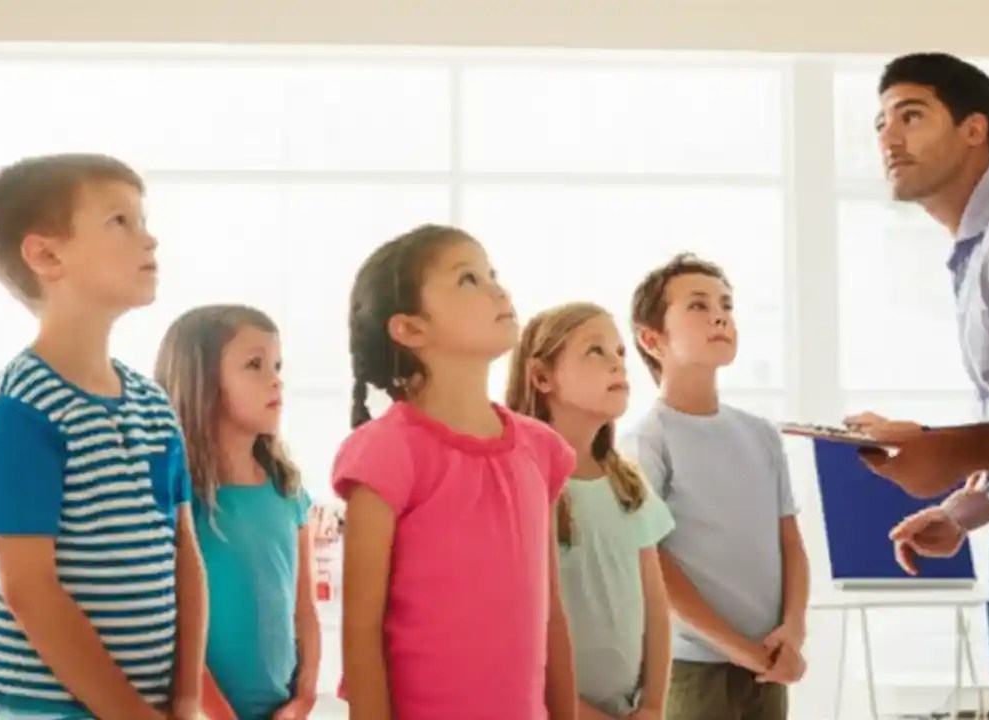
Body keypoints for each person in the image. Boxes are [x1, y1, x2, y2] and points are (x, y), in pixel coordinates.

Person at [0, 154, 208, 719]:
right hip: (45, 707)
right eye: (121, 221)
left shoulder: (153, 404)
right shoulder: (16, 411)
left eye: (143, 221)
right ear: (46, 255)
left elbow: (184, 556)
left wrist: (187, 697)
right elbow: (30, 591)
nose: (150, 240)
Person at [847, 52, 989, 718]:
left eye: (911, 115)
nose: (889, 139)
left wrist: (945, 450)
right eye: (880, 124)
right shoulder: (981, 245)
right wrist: (964, 509)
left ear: (973, 129)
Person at [333, 224, 578, 719]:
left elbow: (550, 615)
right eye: (468, 278)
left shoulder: (539, 449)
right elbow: (361, 637)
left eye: (492, 274)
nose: (498, 288)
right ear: (411, 329)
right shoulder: (387, 454)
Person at [622, 253, 809, 720]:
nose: (720, 315)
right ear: (652, 339)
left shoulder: (761, 435)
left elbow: (790, 542)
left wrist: (794, 630)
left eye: (726, 304)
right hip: (691, 668)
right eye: (698, 306)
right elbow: (652, 562)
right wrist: (736, 647)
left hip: (768, 663)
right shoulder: (649, 440)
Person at [506, 302, 674, 720]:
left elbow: (655, 605)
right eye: (595, 351)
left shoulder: (628, 485)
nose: (618, 364)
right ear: (542, 377)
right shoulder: (522, 485)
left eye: (619, 352)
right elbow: (512, 629)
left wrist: (653, 705)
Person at [154, 305, 320, 720]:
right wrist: (216, 712)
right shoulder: (174, 497)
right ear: (203, 383)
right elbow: (168, 623)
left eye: (277, 365)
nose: (275, 379)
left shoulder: (287, 490)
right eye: (254, 364)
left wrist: (305, 697)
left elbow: (304, 608)